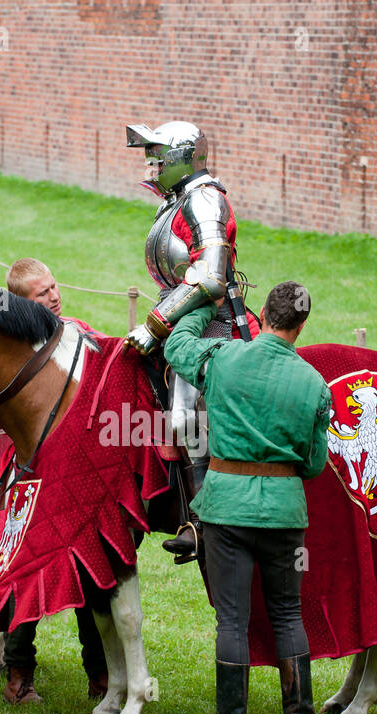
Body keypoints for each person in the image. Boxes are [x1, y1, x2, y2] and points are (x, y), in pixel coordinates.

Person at [164, 282, 331, 714]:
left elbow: (176, 344)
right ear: (302, 326)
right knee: (287, 614)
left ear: (262, 312)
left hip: (225, 511)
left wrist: (203, 305)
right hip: (285, 516)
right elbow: (315, 465)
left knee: (232, 622)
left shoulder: (222, 357)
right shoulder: (315, 385)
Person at [123, 120, 245, 564]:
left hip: (210, 321)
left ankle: (202, 520)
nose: (152, 164)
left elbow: (211, 277)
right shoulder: (178, 201)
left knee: (182, 409)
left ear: (184, 156)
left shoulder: (204, 199)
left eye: (158, 155)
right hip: (179, 316)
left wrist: (156, 324)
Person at [0, 258, 107, 703]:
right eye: (42, 294)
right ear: (22, 303)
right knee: (24, 575)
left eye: (54, 286)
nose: (54, 296)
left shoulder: (79, 331)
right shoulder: (14, 350)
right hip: (30, 475)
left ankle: (99, 678)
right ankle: (18, 677)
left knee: (87, 574)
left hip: (76, 475)